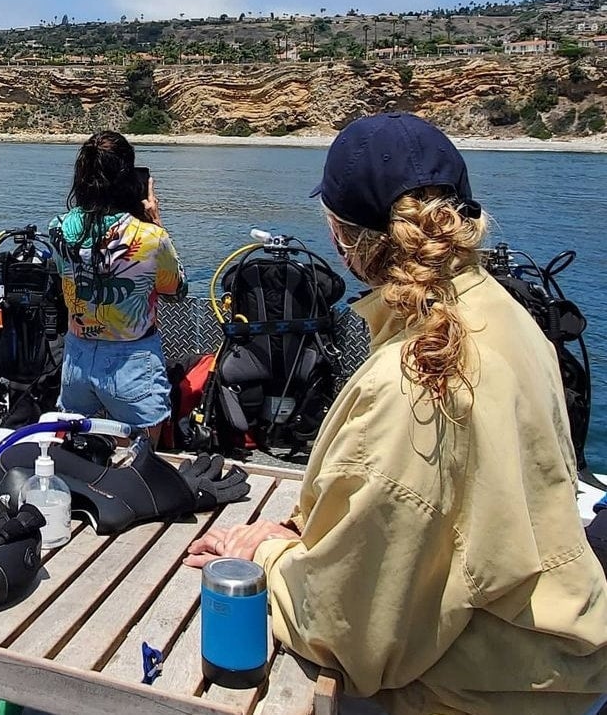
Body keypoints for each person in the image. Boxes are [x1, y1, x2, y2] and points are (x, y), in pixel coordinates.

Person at [185, 112, 607, 715]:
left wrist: (262, 555)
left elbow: (344, 630)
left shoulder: (411, 379)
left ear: (342, 237)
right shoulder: (509, 317)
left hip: (475, 692)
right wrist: (298, 532)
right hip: (553, 666)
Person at [49, 130, 186, 439]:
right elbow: (176, 291)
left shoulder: (57, 228)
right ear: (128, 180)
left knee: (76, 447)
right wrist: (155, 221)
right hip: (131, 362)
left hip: (77, 358)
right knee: (142, 456)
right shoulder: (150, 237)